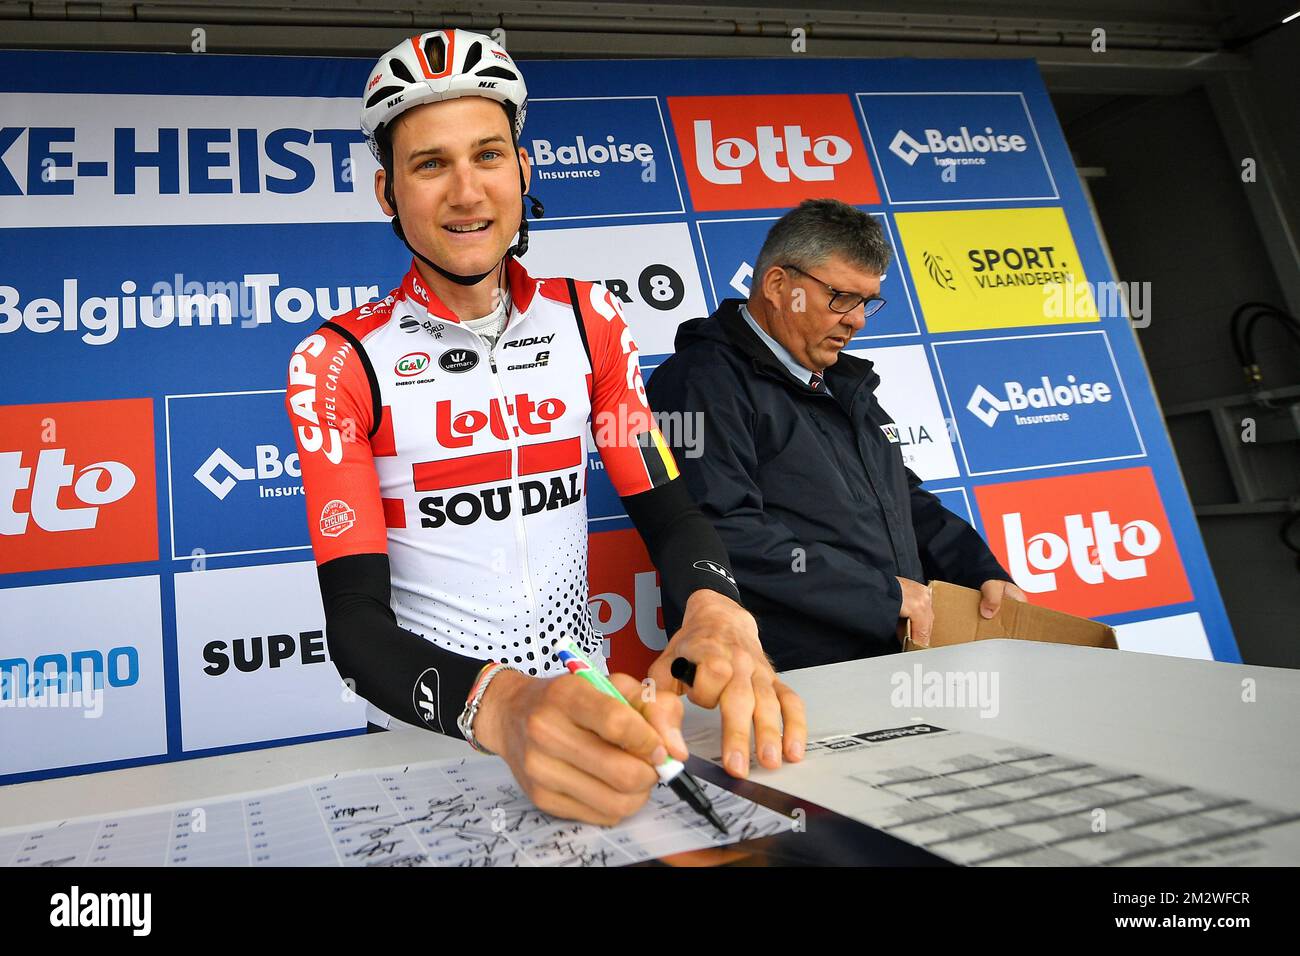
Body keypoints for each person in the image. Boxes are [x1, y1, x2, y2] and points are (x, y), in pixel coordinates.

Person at [285, 28, 805, 826]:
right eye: (431, 165)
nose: (466, 192)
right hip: (430, 734)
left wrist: (712, 602)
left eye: (488, 156)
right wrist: (503, 708)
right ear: (388, 194)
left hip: (584, 707)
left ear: (523, 172)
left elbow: (669, 509)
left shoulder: (589, 320)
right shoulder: (337, 360)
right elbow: (355, 624)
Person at [646, 199, 1025, 671]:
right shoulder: (699, 381)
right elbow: (718, 532)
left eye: (867, 302)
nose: (857, 319)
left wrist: (979, 570)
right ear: (779, 285)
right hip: (783, 679)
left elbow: (900, 499)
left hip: (886, 663)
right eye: (841, 298)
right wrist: (882, 595)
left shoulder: (840, 380)